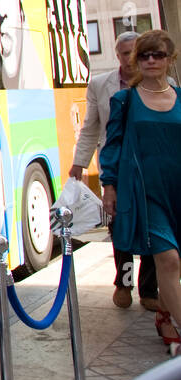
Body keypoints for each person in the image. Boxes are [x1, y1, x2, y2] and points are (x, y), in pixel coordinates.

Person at [100, 30, 181, 355]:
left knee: (177, 264)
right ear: (136, 60)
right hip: (145, 193)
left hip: (177, 190)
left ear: (169, 60)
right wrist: (109, 184)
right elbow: (113, 146)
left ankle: (164, 313)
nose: (150, 60)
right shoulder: (124, 100)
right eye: (144, 55)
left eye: (157, 55)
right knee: (169, 259)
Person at [70, 31, 158, 309]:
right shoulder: (100, 84)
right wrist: (79, 162)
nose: (130, 58)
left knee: (154, 228)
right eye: (124, 53)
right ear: (117, 54)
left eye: (136, 51)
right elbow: (91, 127)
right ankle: (125, 283)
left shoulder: (159, 81)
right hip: (117, 168)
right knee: (122, 228)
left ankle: (149, 291)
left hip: (151, 167)